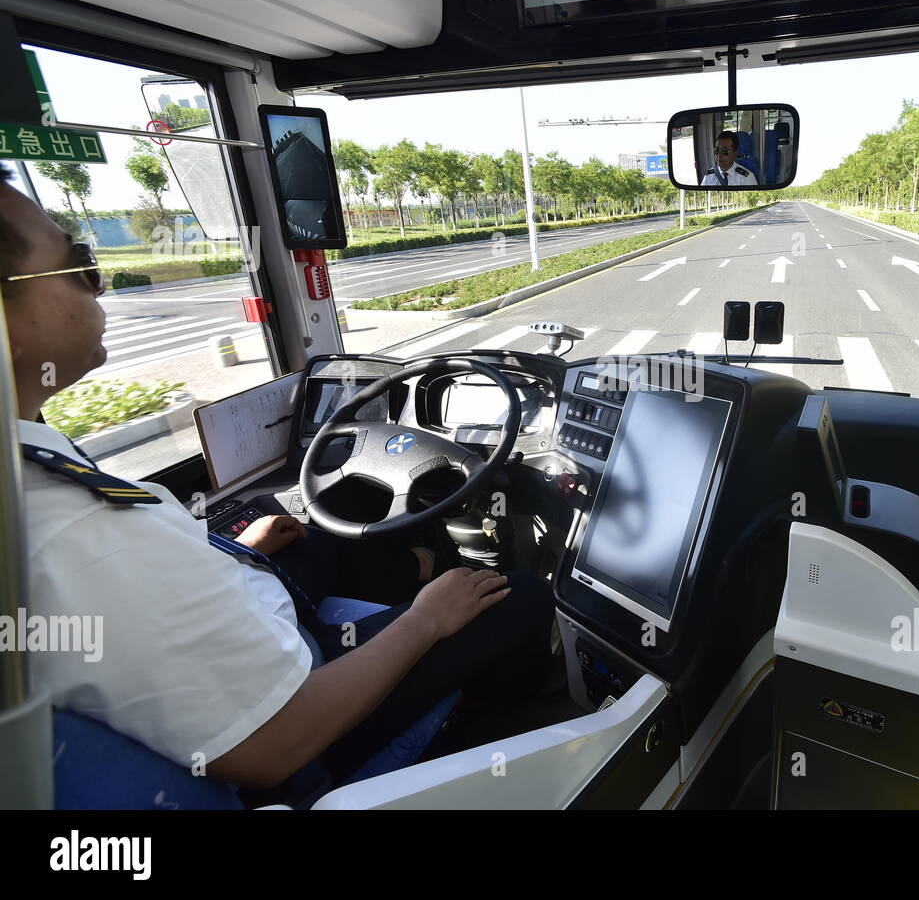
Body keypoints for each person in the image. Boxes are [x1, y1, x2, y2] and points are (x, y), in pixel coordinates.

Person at [0, 165, 555, 794]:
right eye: (77, 261)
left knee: (318, 536)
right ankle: (500, 736)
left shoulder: (31, 475)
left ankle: (423, 568)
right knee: (525, 595)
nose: (94, 284)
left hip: (253, 631)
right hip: (298, 724)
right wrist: (426, 620)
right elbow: (273, 745)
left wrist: (236, 556)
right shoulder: (71, 528)